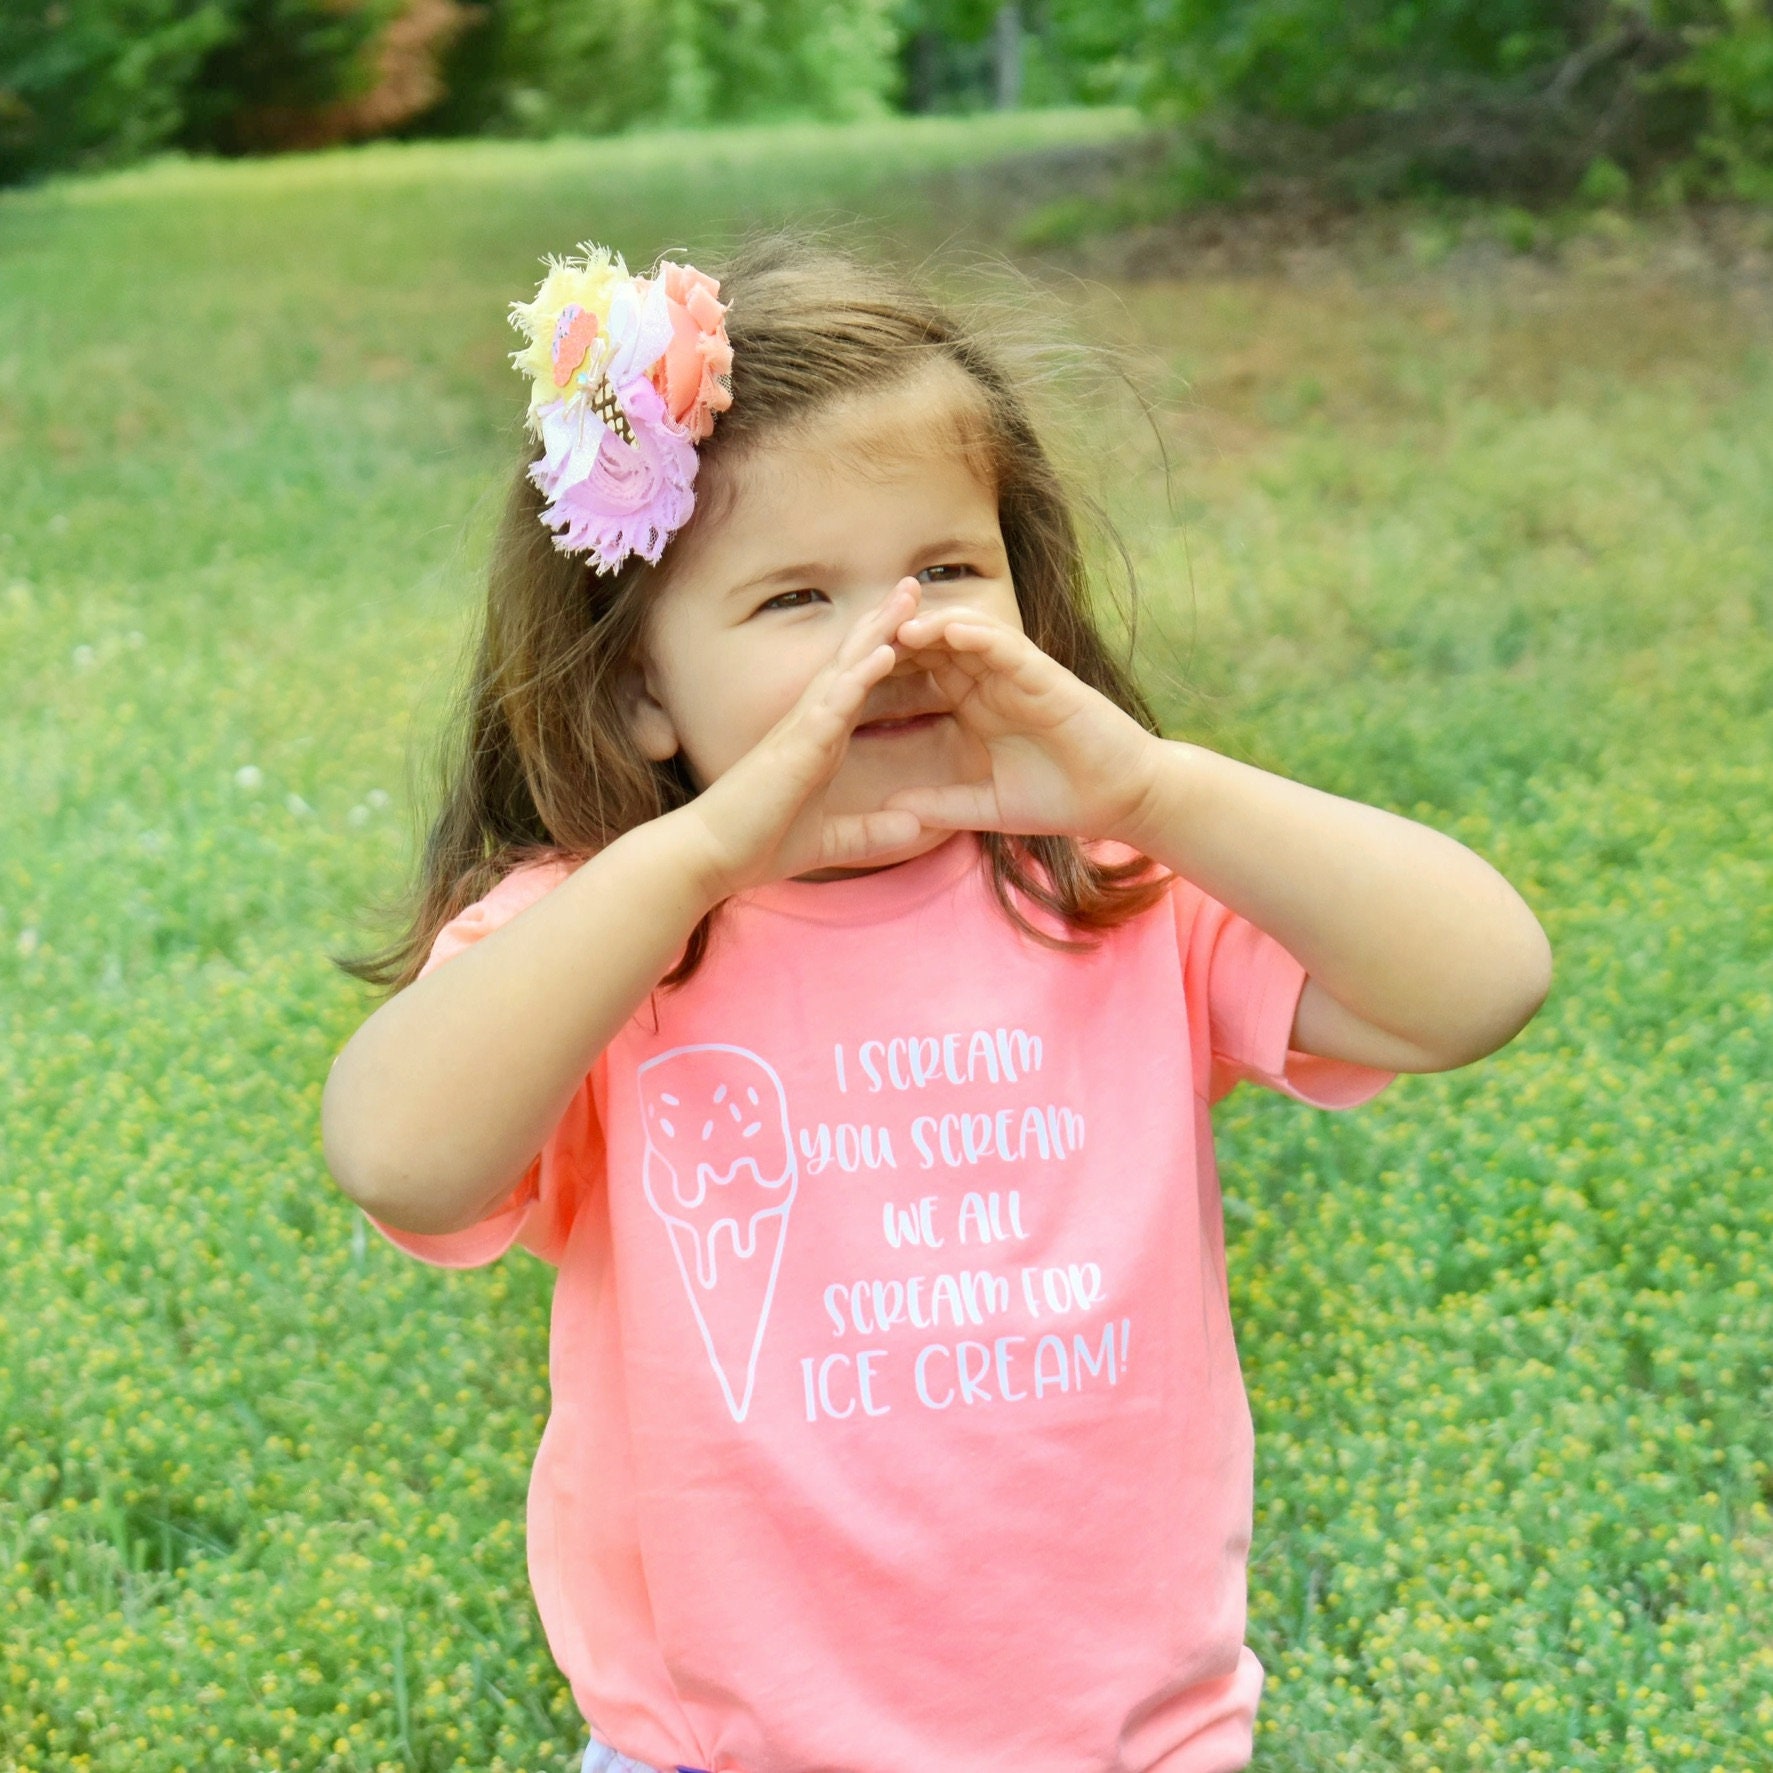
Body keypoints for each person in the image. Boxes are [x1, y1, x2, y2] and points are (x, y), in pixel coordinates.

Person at [321, 228, 1552, 1773]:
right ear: (639, 687)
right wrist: (695, 858)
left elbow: (1482, 979)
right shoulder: (604, 946)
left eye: (946, 571)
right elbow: (397, 1150)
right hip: (718, 1750)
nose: (894, 636)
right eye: (793, 598)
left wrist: (1149, 783)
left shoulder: (1107, 882)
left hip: (1128, 1743)